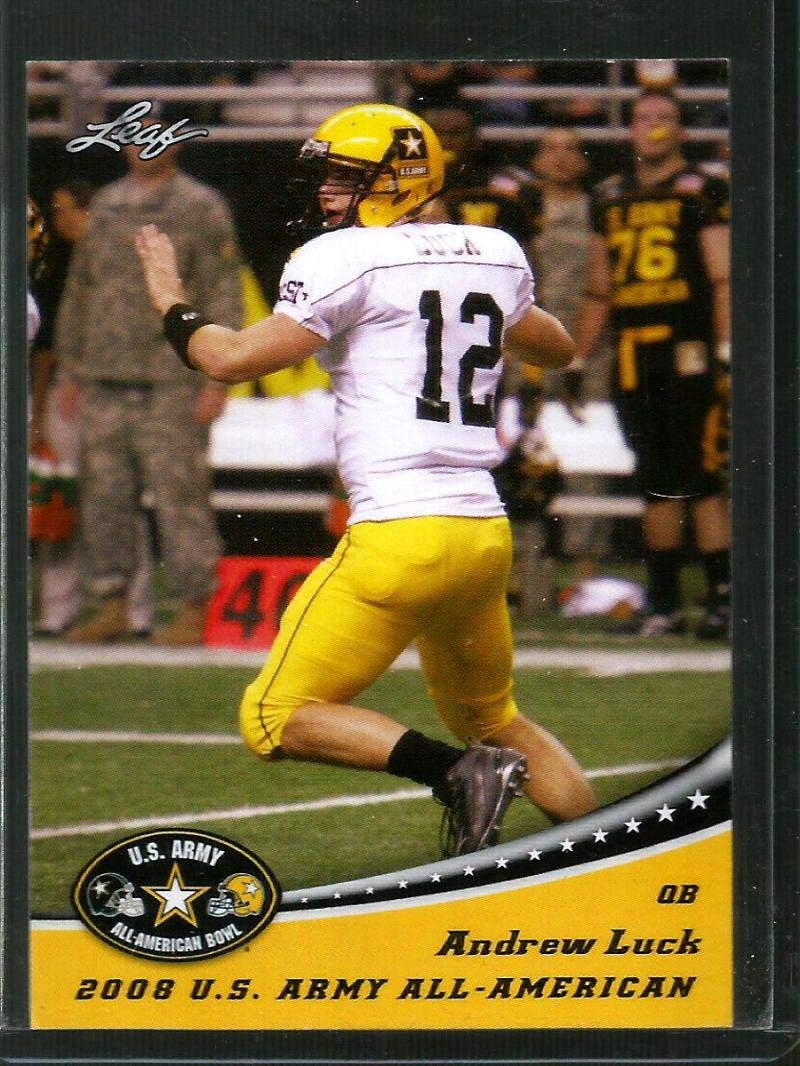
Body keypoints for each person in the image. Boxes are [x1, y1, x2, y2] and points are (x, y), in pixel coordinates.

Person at [136, 103, 597, 858]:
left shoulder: (342, 257)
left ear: (400, 179)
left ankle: (455, 773)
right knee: (493, 718)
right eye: (327, 174)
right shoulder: (494, 250)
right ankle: (604, 853)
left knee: (274, 716)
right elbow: (558, 347)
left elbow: (228, 359)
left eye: (346, 175)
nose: (327, 190)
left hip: (399, 532)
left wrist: (168, 299)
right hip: (482, 535)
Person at [54, 133, 242, 645]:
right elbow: (81, 286)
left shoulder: (201, 205)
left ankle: (192, 607)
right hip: (105, 372)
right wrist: (69, 368)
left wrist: (217, 376)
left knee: (180, 495)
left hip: (172, 377)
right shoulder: (107, 203)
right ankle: (112, 603)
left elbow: (223, 287)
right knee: (104, 494)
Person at [571, 90, 731, 639]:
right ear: (631, 128)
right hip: (633, 356)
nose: (653, 125)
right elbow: (599, 289)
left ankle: (723, 598)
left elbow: (721, 276)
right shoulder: (610, 194)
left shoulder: (700, 187)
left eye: (664, 117)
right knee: (656, 479)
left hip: (687, 350)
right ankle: (664, 603)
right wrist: (578, 358)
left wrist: (725, 349)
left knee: (700, 476)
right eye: (643, 117)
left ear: (681, 129)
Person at [30, 179, 155, 637]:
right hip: (68, 389)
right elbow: (46, 346)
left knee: (120, 497)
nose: (57, 220)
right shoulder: (56, 262)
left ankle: (135, 610)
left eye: (64, 210)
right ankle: (57, 609)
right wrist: (45, 403)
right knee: (60, 494)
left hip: (112, 389)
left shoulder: (121, 260)